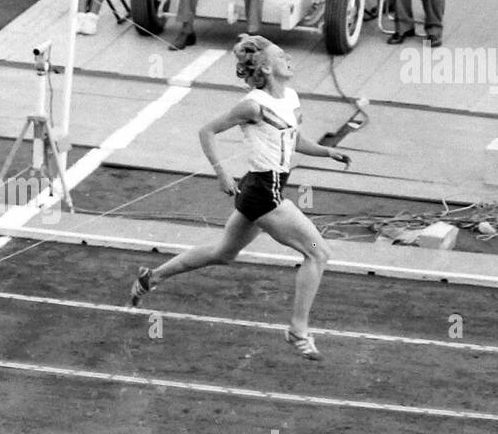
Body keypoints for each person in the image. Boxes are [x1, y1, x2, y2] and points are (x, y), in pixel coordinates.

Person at [129, 34, 350, 361]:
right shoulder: (253, 105)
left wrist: (327, 151)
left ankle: (153, 277)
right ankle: (297, 329)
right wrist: (221, 173)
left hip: (258, 191)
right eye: (281, 55)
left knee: (222, 252)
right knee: (318, 253)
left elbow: (295, 140)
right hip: (264, 193)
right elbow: (207, 131)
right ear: (266, 68)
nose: (288, 57)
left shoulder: (290, 97)